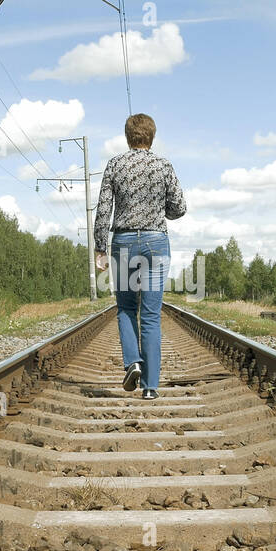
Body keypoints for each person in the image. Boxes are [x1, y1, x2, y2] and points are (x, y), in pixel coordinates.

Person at [93, 113, 187, 400]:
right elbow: (179, 207)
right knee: (150, 315)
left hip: (122, 242)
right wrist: (160, 212)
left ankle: (132, 361)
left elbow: (103, 210)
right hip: (156, 242)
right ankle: (150, 387)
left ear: (127, 136)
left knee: (125, 308)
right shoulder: (163, 165)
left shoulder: (115, 165)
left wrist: (100, 247)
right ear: (152, 136)